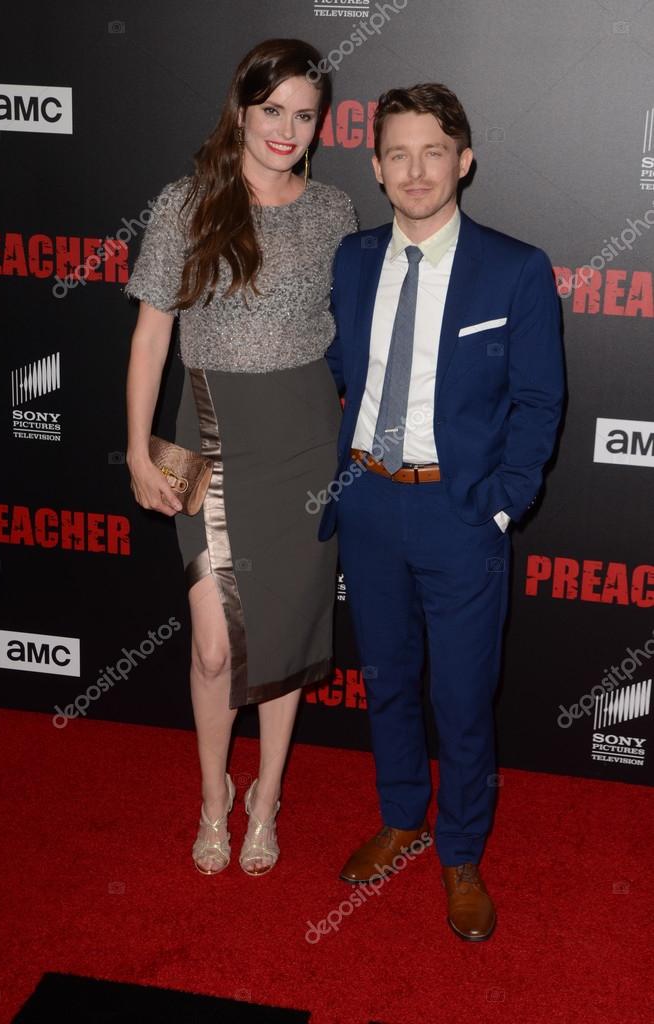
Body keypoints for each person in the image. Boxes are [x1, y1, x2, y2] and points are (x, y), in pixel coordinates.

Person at [321, 83, 564, 939]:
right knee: (386, 680)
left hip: (459, 514)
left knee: (462, 696)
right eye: (397, 153)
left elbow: (539, 403)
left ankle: (460, 854)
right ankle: (401, 819)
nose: (415, 169)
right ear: (377, 167)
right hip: (368, 502)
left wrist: (501, 507)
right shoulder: (350, 260)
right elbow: (337, 376)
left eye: (433, 151)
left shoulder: (515, 268)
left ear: (464, 160)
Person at [123, 38, 357, 877]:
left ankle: (268, 800)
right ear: (242, 109)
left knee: (287, 635)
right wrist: (136, 446)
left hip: (305, 441)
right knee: (217, 645)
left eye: (304, 114)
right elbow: (152, 336)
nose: (287, 129)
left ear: (320, 122)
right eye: (272, 111)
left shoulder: (334, 212)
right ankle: (213, 799)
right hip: (210, 434)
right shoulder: (187, 204)